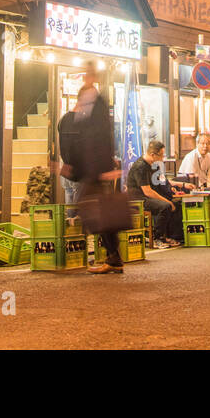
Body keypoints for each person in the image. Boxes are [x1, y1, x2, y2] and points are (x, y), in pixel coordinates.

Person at [60, 66, 125, 274]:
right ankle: (113, 257)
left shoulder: (97, 104)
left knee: (95, 210)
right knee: (97, 210)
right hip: (90, 169)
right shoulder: (87, 107)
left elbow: (103, 136)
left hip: (95, 170)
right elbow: (81, 140)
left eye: (89, 74)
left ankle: (113, 256)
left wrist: (106, 166)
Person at [126, 140, 183, 247]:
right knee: (165, 206)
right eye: (161, 155)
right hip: (138, 199)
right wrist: (167, 201)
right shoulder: (140, 167)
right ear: (152, 155)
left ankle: (169, 236)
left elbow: (162, 181)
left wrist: (177, 186)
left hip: (148, 197)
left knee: (176, 203)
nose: (162, 158)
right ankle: (157, 238)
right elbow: (147, 191)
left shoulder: (154, 165)